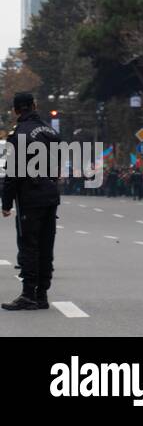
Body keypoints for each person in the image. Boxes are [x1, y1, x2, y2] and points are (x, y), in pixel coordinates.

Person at [2, 92, 61, 310]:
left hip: (30, 196)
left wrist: (6, 203)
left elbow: (13, 172)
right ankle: (42, 294)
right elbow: (57, 166)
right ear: (34, 106)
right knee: (46, 245)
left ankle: (28, 295)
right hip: (50, 194)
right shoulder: (50, 131)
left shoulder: (19, 134)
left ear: (17, 110)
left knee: (29, 245)